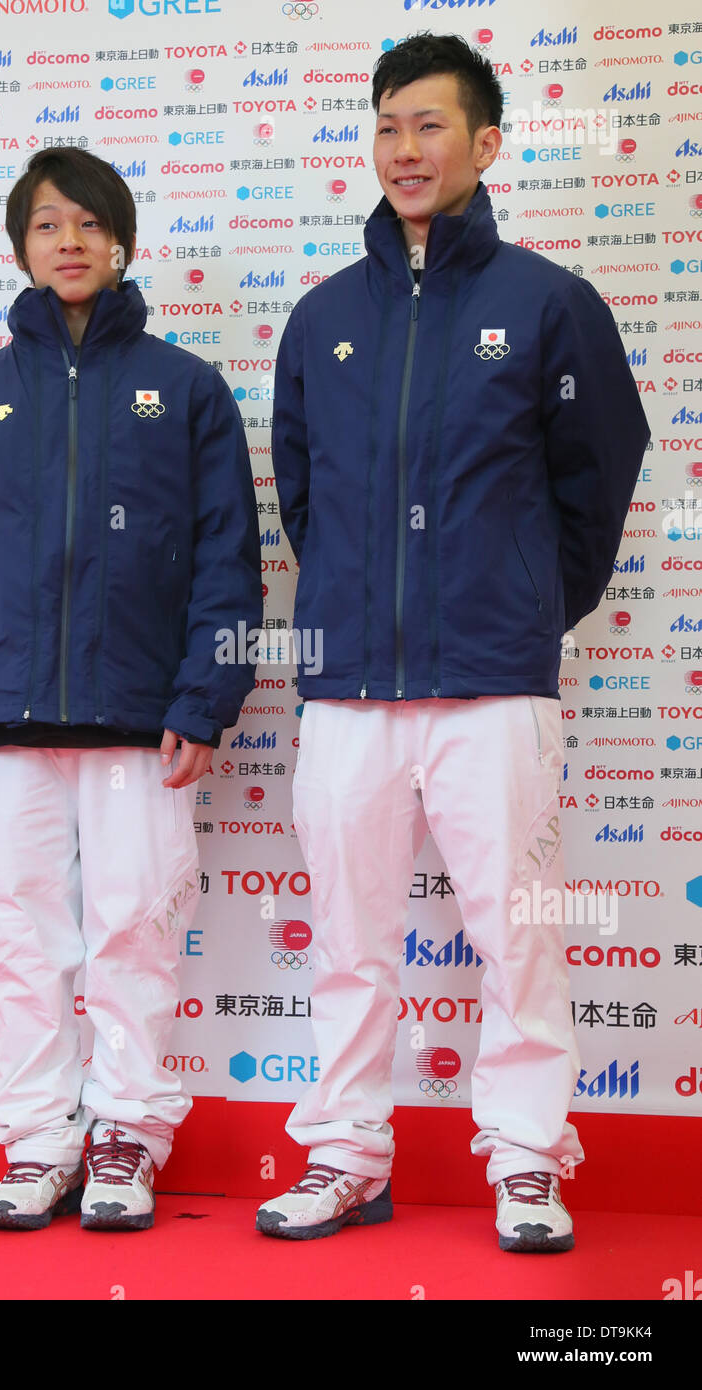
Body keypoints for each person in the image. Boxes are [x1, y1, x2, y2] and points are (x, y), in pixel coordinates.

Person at [258, 33, 651, 1248]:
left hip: (491, 685)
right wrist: (357, 603)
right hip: (349, 690)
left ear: (484, 143)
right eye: (386, 126)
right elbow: (305, 494)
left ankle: (525, 1158)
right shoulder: (323, 316)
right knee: (348, 942)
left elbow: (596, 477)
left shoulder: (546, 302)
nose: (403, 149)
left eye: (427, 125)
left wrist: (519, 603)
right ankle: (344, 1155)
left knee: (515, 932)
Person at [0, 146, 261, 1232]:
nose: (70, 241)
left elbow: (227, 560)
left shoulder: (186, 390)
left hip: (138, 724)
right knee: (19, 945)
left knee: (134, 933)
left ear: (122, 242)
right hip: (0, 728)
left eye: (89, 223)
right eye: (48, 224)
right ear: (22, 245)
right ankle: (38, 1142)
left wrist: (203, 699)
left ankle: (125, 1139)